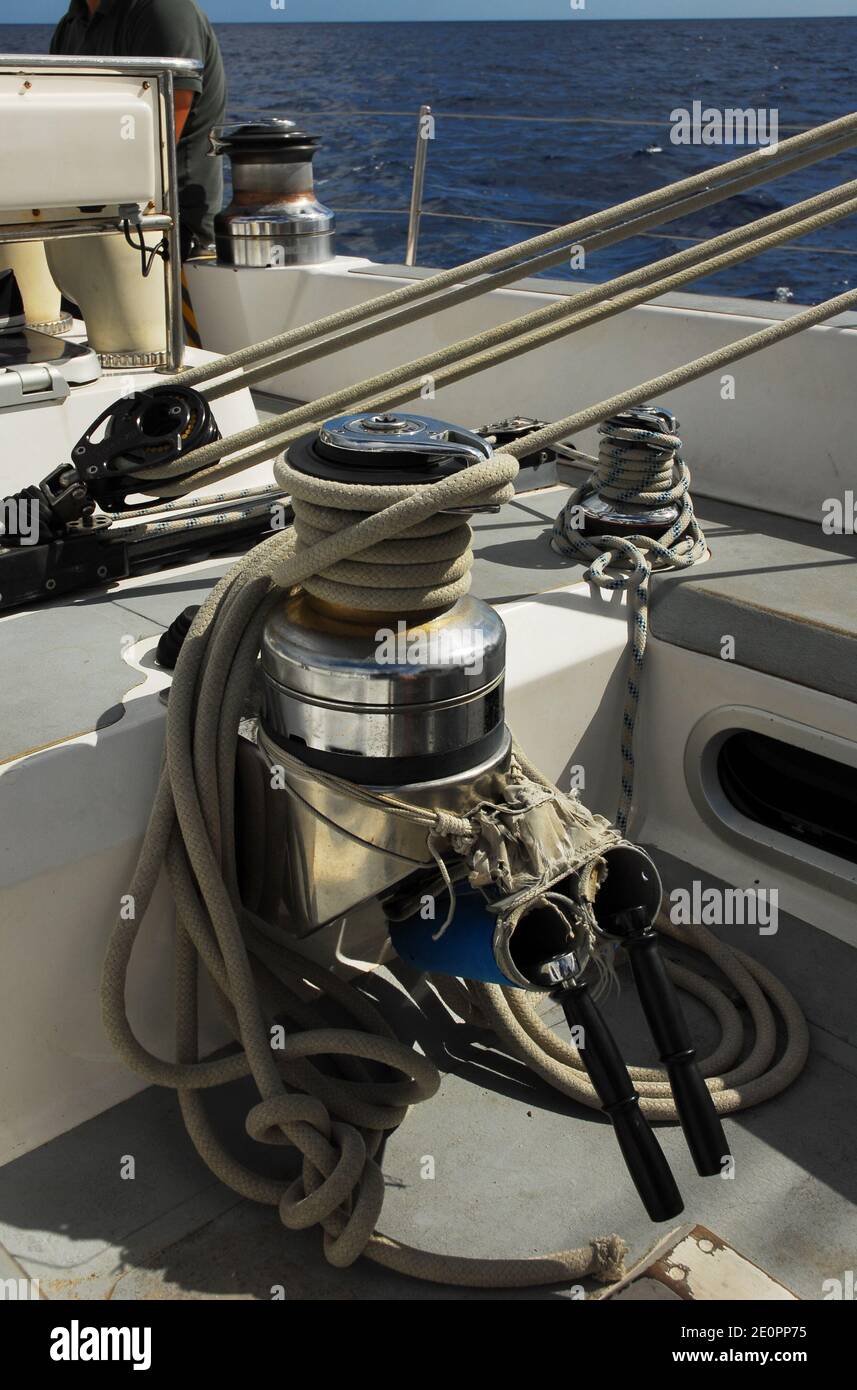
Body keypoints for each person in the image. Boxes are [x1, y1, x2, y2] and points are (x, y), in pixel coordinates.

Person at [50, 0, 227, 259]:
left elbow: (159, 142)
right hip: (96, 216)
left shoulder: (163, 9)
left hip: (168, 229)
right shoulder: (72, 22)